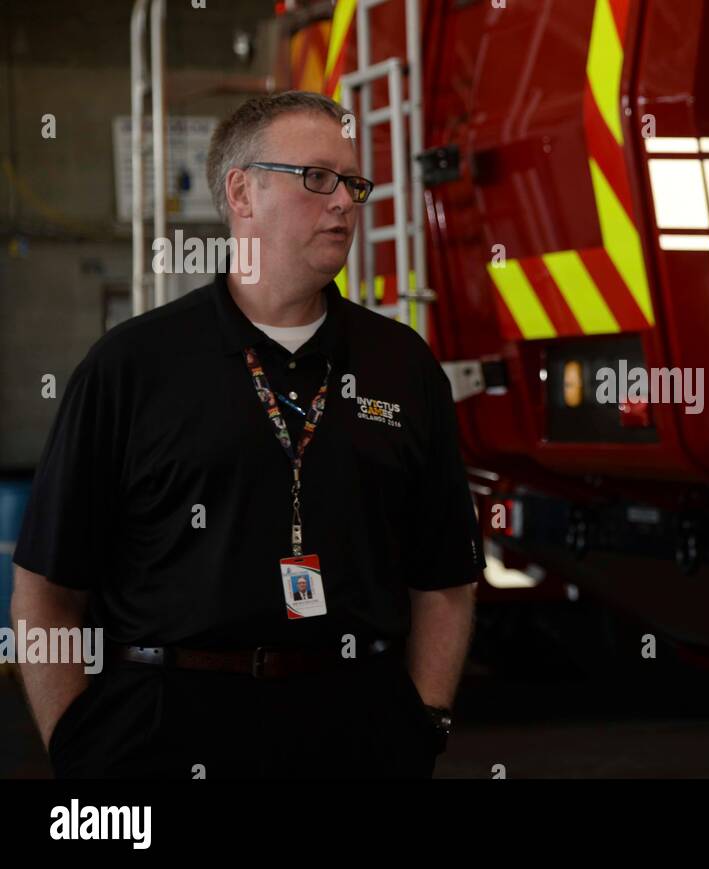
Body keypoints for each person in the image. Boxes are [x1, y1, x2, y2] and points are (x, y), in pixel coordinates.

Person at [11, 90, 484, 778]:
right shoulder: (132, 366)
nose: (346, 201)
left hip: (357, 737)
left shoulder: (403, 365)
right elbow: (47, 588)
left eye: (353, 183)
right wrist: (77, 746)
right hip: (164, 738)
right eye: (316, 178)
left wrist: (425, 722)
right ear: (242, 192)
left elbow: (444, 579)